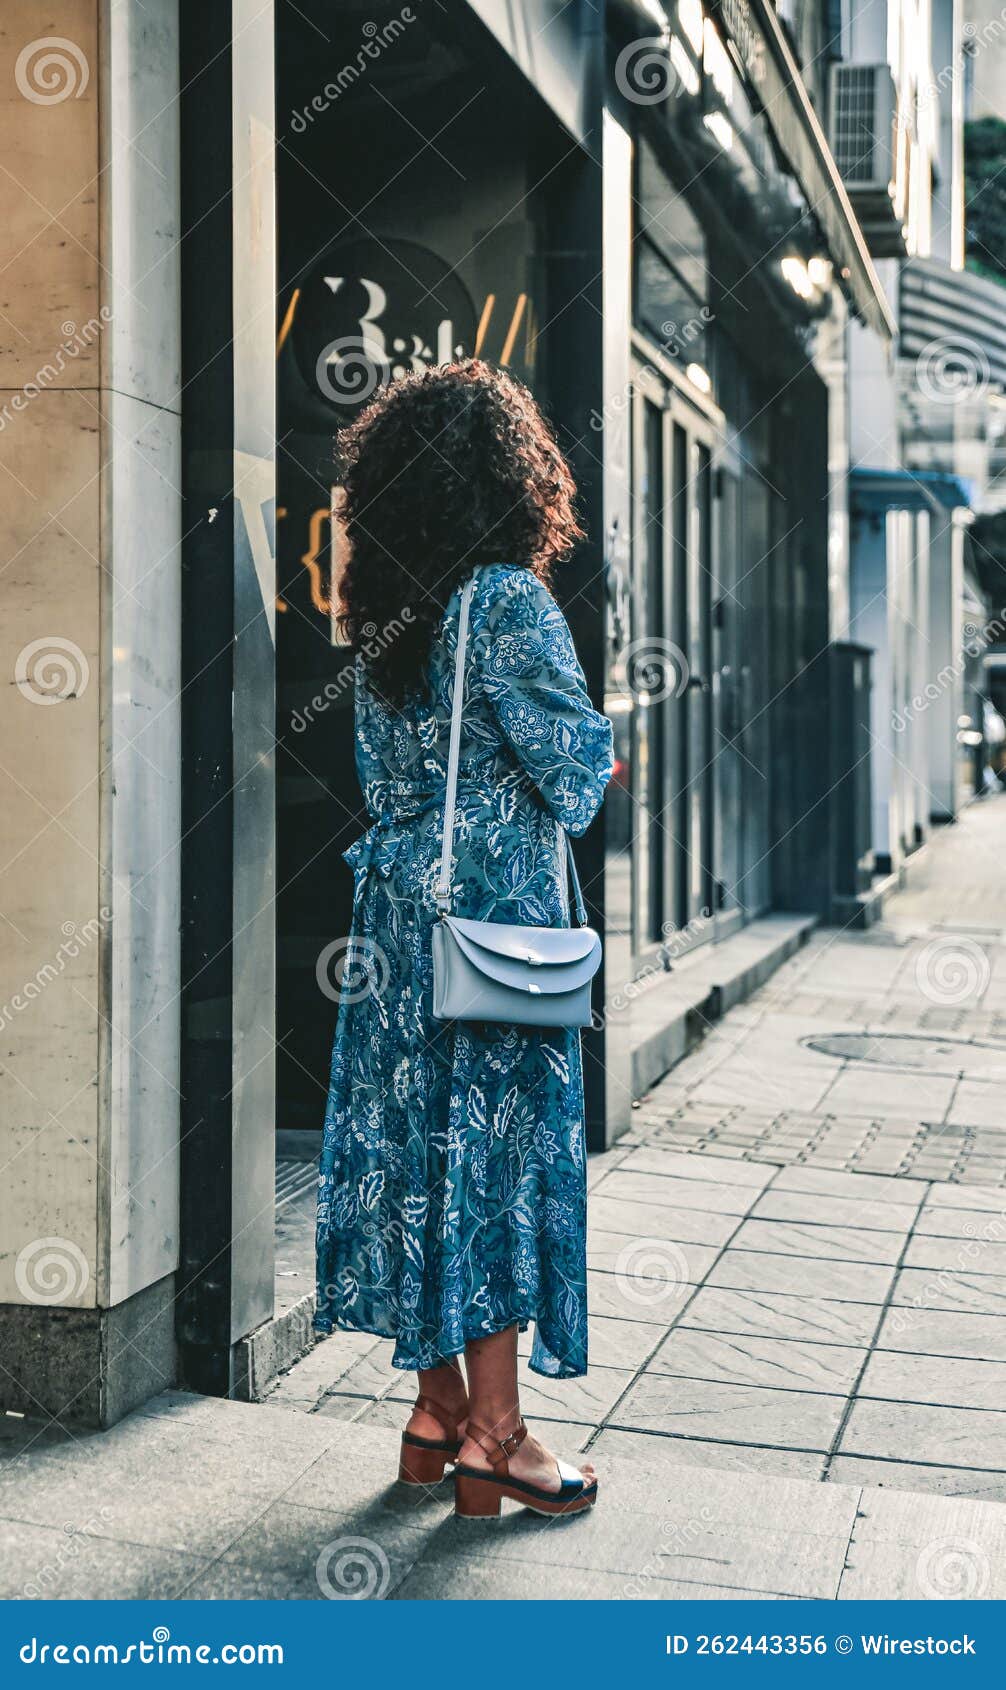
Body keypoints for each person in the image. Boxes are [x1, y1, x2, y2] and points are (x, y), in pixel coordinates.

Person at [315, 359, 614, 1518]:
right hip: (494, 924)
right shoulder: (507, 601)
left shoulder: (385, 606)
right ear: (508, 478)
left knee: (413, 1155)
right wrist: (602, 747)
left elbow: (386, 775)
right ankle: (499, 1436)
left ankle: (435, 1411)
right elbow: (573, 774)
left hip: (395, 922)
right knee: (489, 1161)